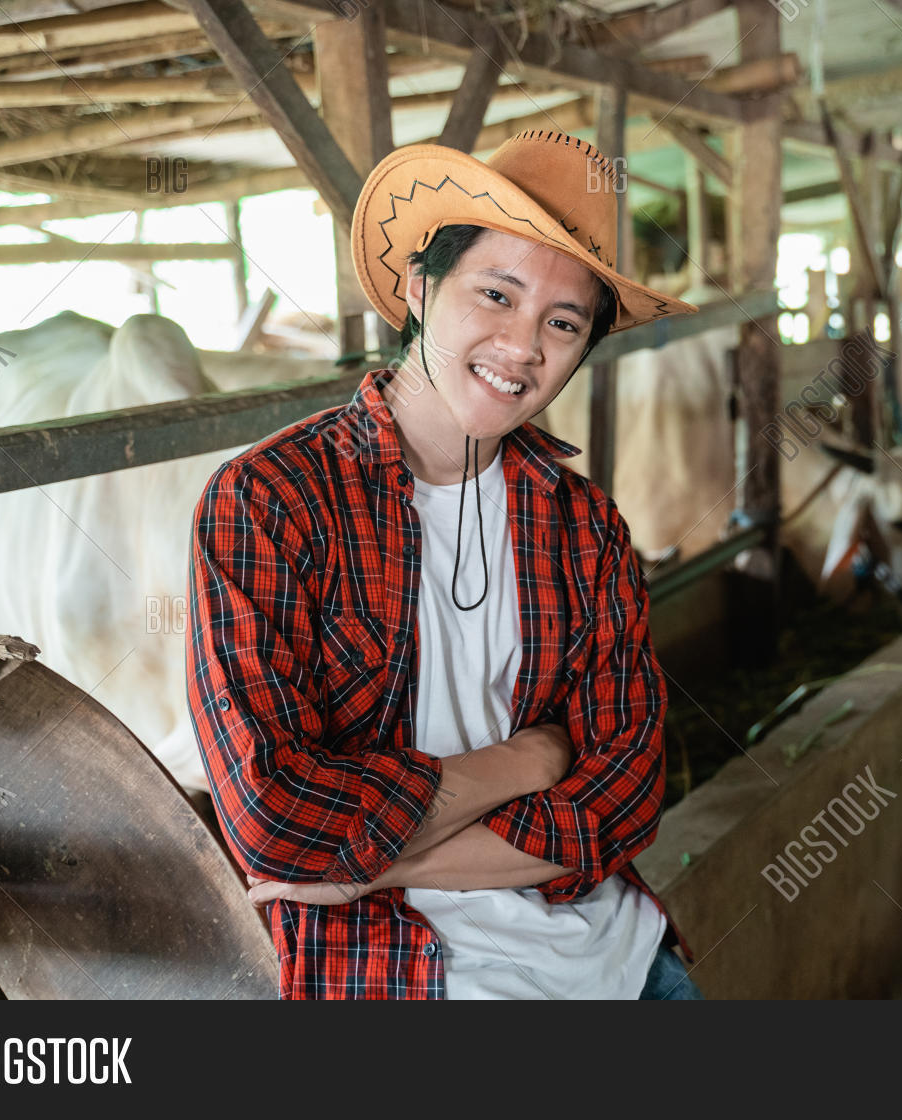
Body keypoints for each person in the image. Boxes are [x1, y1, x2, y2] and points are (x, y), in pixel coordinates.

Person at [185, 130, 701, 999]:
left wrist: (377, 866)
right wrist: (532, 761)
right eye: (496, 294)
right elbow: (275, 821)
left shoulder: (587, 528)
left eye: (563, 323)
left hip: (620, 963)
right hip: (396, 973)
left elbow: (625, 796)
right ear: (420, 288)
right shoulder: (269, 503)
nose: (523, 345)